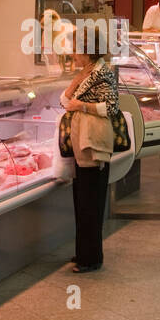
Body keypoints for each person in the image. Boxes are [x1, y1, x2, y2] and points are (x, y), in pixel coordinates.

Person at [61, 25, 120, 273]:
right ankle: (83, 252)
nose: (72, 54)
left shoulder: (102, 74)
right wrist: (74, 90)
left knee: (91, 201)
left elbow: (111, 108)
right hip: (82, 144)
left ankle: (92, 258)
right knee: (82, 199)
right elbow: (64, 101)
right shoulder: (86, 72)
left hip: (94, 145)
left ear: (87, 50)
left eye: (76, 49)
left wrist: (82, 106)